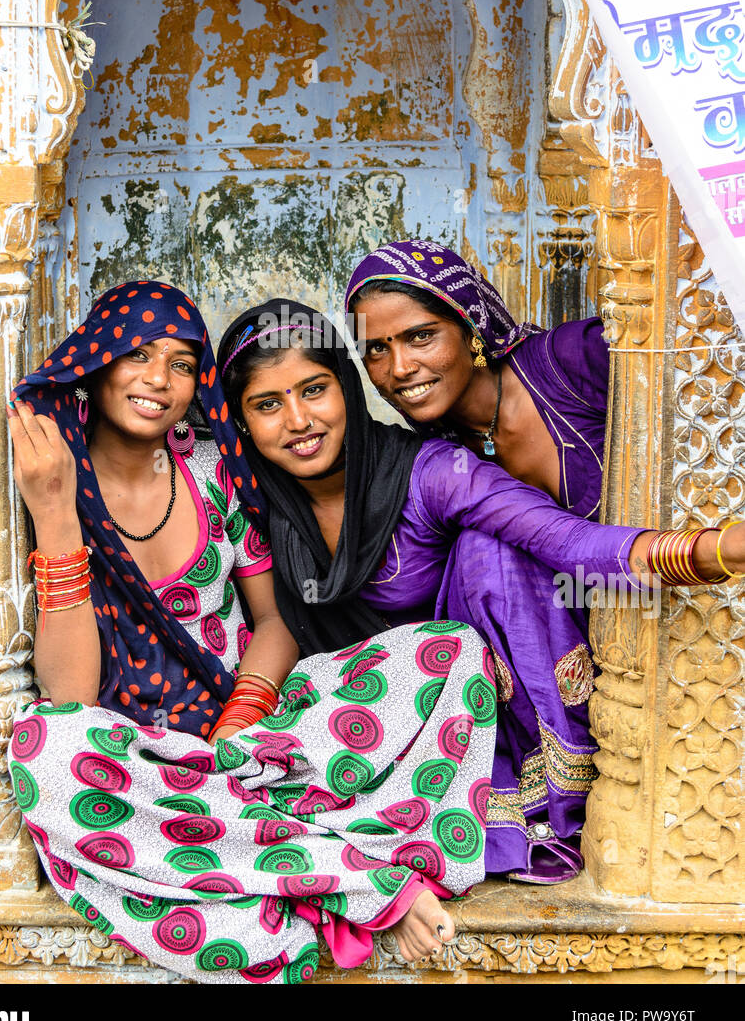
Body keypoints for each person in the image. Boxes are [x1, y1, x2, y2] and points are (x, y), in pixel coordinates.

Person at [6, 279, 498, 984]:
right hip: (142, 765)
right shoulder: (55, 475)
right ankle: (361, 880)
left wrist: (243, 718)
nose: (159, 379)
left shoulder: (209, 466)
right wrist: (55, 515)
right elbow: (73, 693)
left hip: (264, 744)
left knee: (447, 651)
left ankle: (266, 853)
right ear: (98, 359)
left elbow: (272, 621)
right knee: (47, 747)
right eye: (138, 353)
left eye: (181, 362)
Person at [218, 298, 745, 885]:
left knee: (490, 553)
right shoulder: (246, 498)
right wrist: (241, 716)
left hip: (466, 717)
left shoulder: (432, 473)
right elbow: (272, 619)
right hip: (350, 719)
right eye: (268, 404)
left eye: (314, 390)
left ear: (345, 386)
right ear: (240, 422)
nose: (298, 421)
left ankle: (531, 807)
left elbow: (565, 542)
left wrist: (710, 551)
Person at [346, 239, 608, 517]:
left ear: (472, 330)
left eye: (421, 336)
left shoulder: (576, 357)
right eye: (377, 348)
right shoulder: (433, 460)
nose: (399, 369)